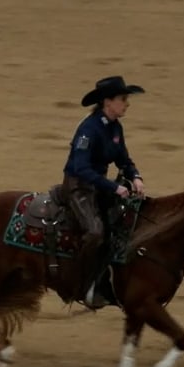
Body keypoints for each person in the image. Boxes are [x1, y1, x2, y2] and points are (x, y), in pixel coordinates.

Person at [61, 75, 148, 309]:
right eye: (123, 99)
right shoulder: (88, 130)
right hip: (79, 187)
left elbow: (123, 160)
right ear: (107, 102)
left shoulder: (115, 128)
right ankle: (79, 281)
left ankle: (105, 280)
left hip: (99, 186)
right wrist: (114, 187)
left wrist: (135, 177)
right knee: (95, 232)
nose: (127, 103)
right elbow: (80, 168)